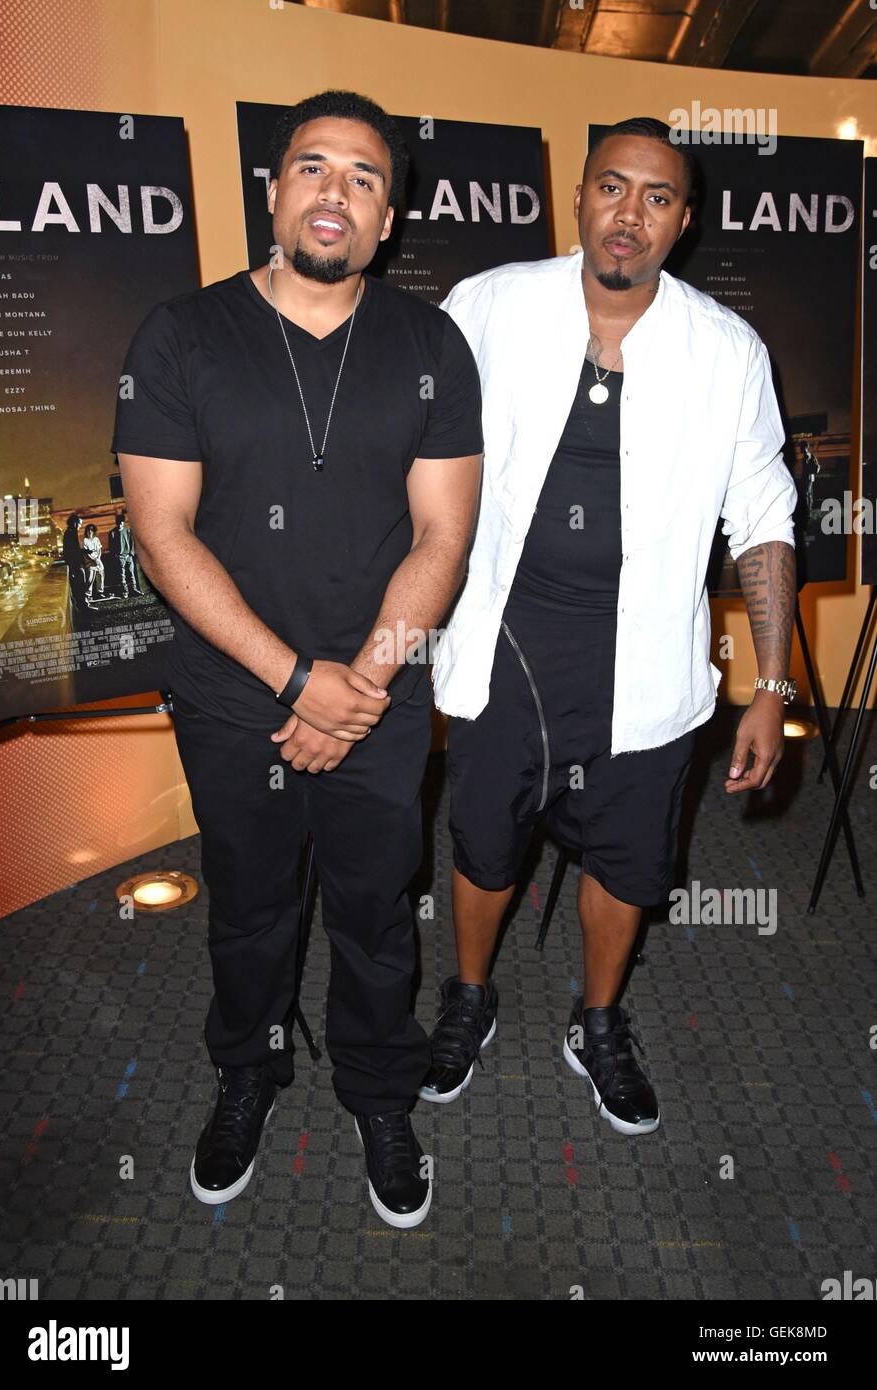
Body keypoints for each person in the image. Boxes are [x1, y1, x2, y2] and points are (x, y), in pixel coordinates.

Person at [111, 89, 482, 1227]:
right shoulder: (180, 335)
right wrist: (294, 682)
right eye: (314, 167)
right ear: (273, 191)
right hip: (236, 701)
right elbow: (160, 535)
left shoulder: (431, 344)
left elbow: (443, 537)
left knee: (378, 911)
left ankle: (378, 1091)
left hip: (379, 697)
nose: (336, 192)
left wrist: (359, 688)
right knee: (250, 909)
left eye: (365, 178)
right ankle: (249, 1071)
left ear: (388, 218)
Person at [425, 117, 798, 1137]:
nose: (628, 213)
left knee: (625, 863)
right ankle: (468, 994)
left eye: (656, 197)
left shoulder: (725, 351)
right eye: (611, 187)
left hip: (647, 668)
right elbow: (416, 455)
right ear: (580, 195)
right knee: (483, 845)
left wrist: (771, 688)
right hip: (503, 650)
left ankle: (596, 1019)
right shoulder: (488, 306)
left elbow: (763, 518)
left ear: (682, 222)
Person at [108, 512, 143, 597]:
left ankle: (134, 589)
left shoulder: (128, 531)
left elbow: (132, 542)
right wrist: (115, 555)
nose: (120, 523)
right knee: (122, 574)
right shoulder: (112, 533)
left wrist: (131, 553)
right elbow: (111, 545)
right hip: (120, 556)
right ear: (116, 522)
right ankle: (125, 591)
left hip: (128, 555)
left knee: (131, 572)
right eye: (118, 522)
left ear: (123, 522)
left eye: (121, 522)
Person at [81, 522, 105, 603]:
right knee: (90, 578)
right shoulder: (85, 540)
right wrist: (94, 559)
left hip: (98, 560)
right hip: (90, 562)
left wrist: (98, 558)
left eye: (91, 530)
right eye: (88, 530)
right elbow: (86, 553)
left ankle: (100, 592)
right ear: (86, 531)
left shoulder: (96, 539)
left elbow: (99, 549)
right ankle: (88, 594)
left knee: (100, 575)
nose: (90, 532)